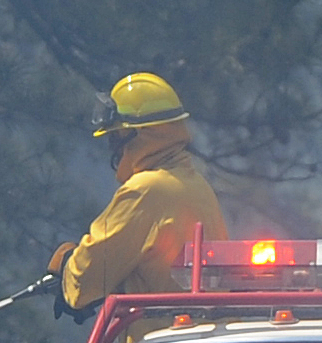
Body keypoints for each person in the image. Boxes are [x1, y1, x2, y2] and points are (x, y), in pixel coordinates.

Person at [49, 71, 228, 316]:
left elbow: (88, 280)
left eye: (114, 137)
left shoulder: (145, 191)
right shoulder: (196, 185)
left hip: (158, 336)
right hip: (201, 335)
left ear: (136, 135)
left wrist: (67, 267)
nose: (113, 146)